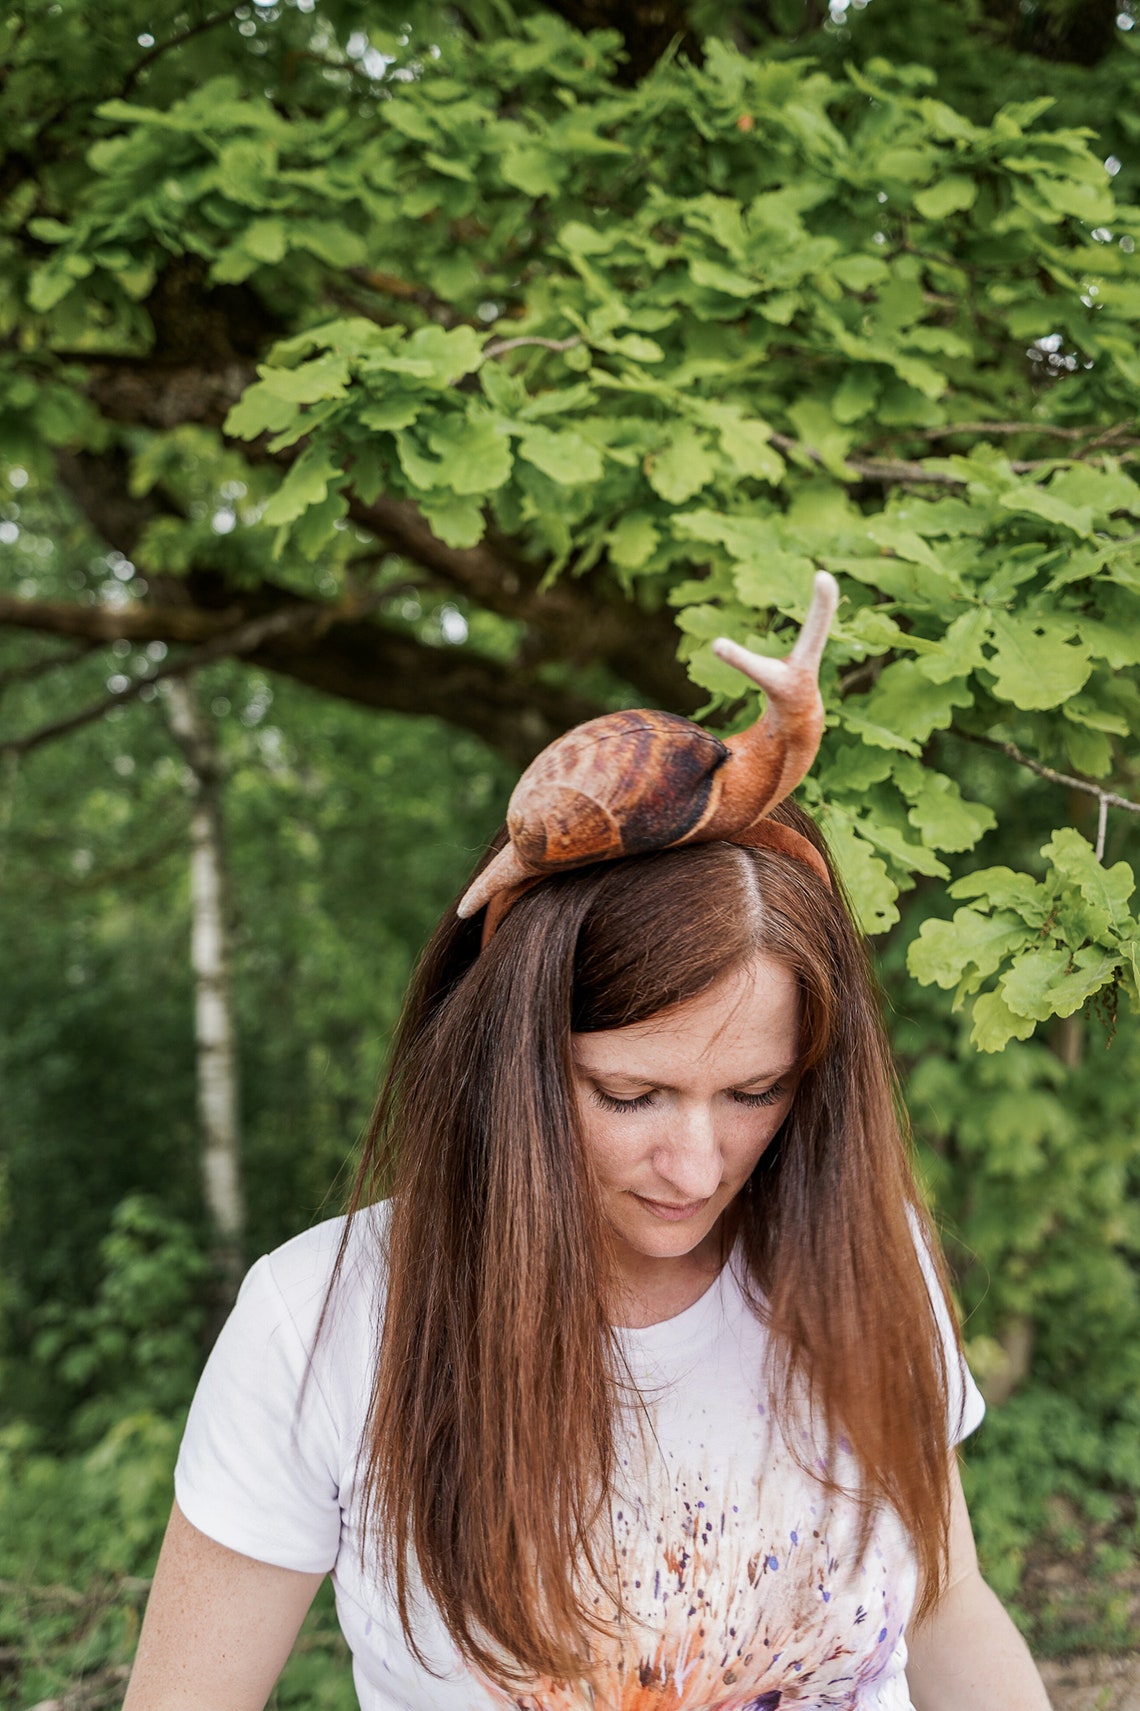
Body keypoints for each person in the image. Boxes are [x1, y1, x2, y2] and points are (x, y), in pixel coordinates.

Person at [123, 579, 1053, 1711]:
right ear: (515, 1065)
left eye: (755, 1090)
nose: (700, 1166)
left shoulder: (865, 1249)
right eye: (631, 1095)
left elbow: (946, 1604)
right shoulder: (318, 1322)